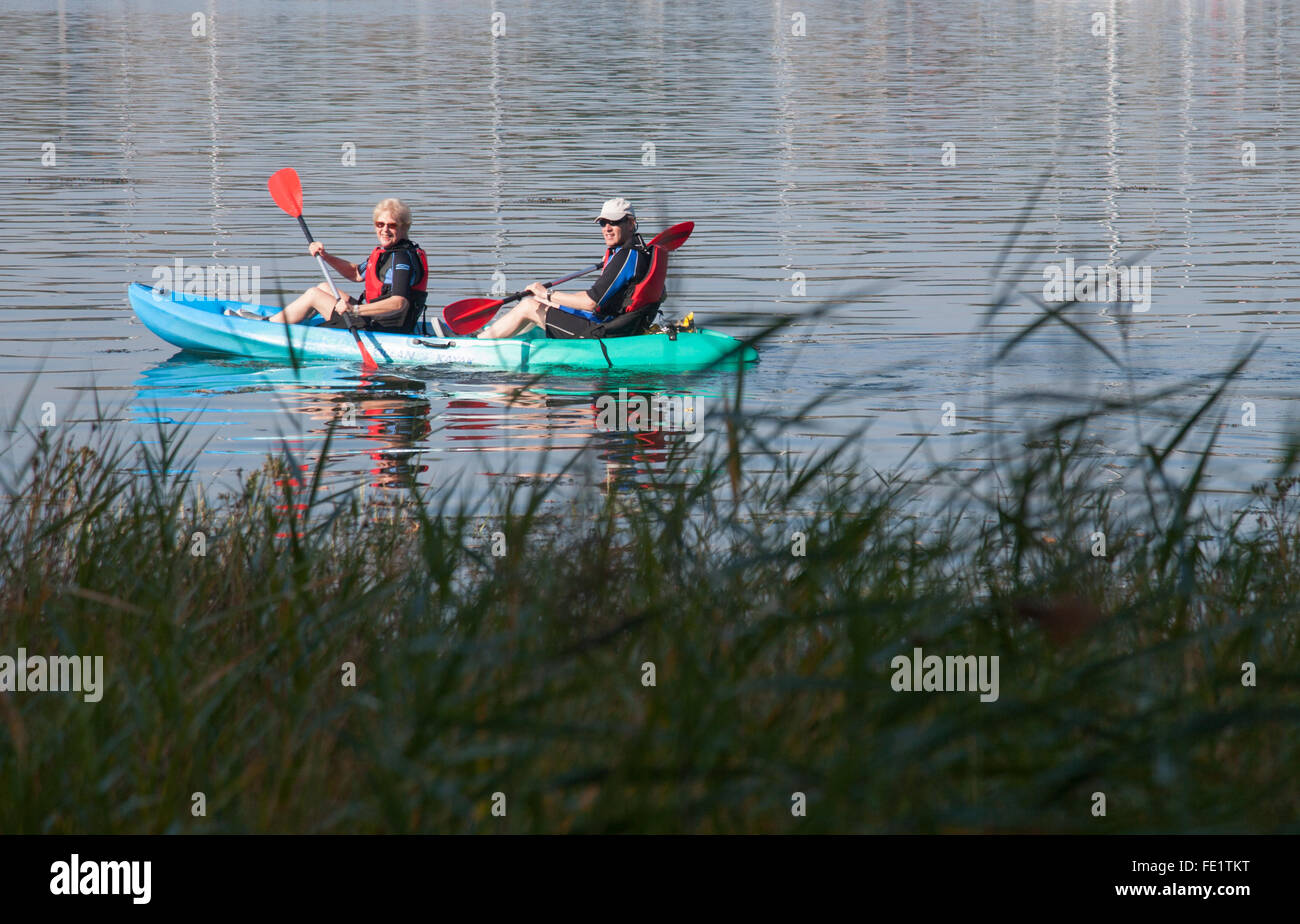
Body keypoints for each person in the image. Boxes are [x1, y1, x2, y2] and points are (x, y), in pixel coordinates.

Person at [229, 199, 428, 333]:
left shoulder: (401, 259)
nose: (384, 230)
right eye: (379, 224)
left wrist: (354, 311)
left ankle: (267, 327)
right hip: (378, 318)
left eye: (391, 225)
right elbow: (356, 274)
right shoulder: (387, 253)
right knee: (324, 286)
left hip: (385, 326)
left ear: (404, 227)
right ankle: (290, 321)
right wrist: (325, 256)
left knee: (314, 295)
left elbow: (398, 303)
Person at [477, 198, 652, 339]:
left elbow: (590, 302)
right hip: (614, 322)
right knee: (540, 303)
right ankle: (495, 338)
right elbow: (596, 297)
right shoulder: (637, 250)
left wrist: (546, 293)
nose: (607, 228)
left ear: (630, 223)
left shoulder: (626, 256)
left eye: (613, 222)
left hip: (605, 330)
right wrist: (547, 298)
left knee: (528, 307)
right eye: (603, 223)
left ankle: (478, 344)